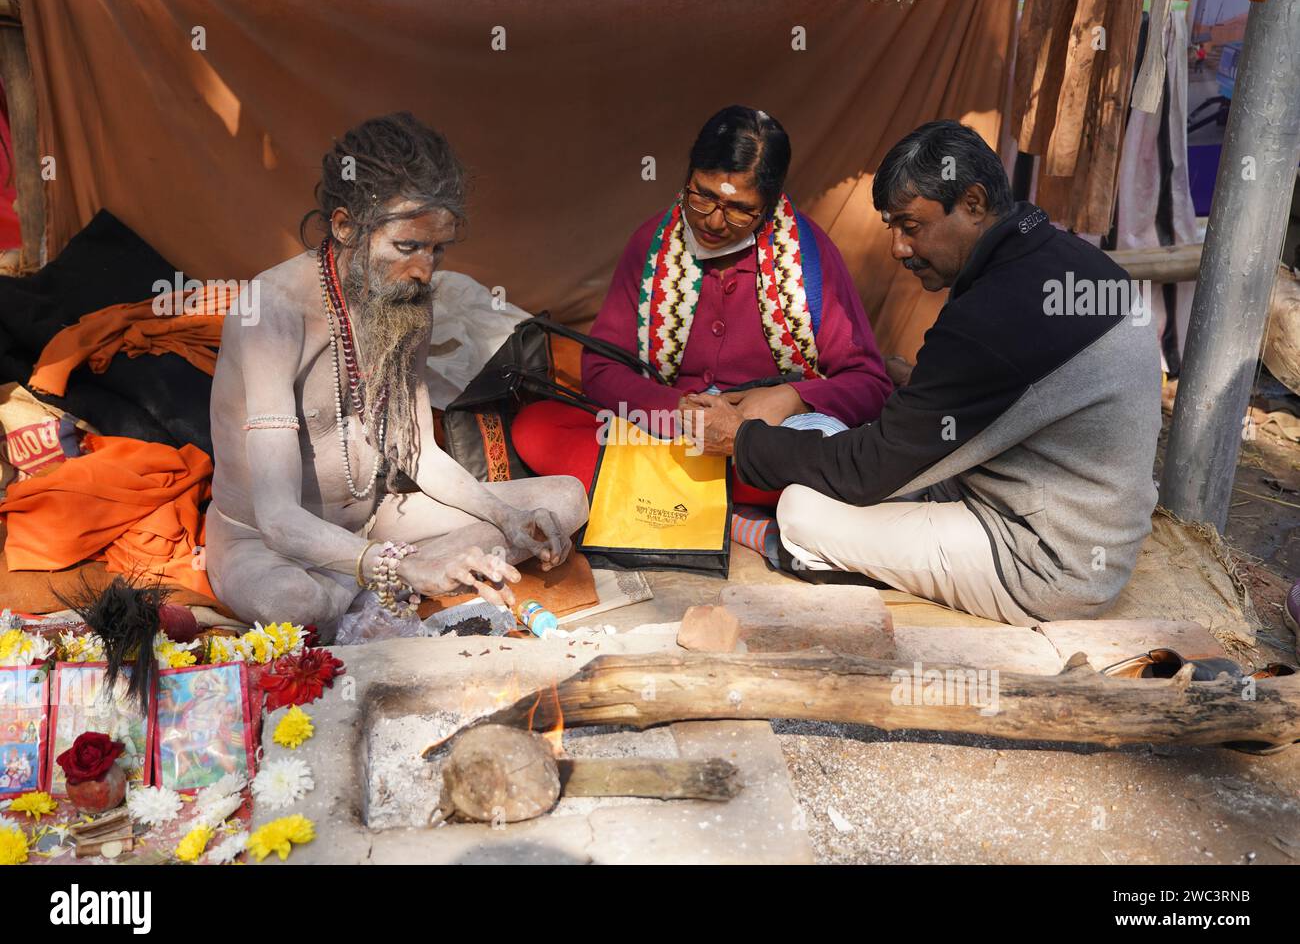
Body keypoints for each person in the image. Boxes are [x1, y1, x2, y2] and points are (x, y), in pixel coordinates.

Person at [685, 120, 1161, 624]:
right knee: (843, 443)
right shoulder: (1066, 260)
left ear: (973, 203)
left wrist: (741, 440)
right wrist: (920, 387)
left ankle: (785, 546)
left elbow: (868, 472)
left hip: (1049, 564)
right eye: (892, 228)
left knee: (804, 510)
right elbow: (1034, 395)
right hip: (1080, 521)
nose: (898, 249)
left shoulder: (994, 314)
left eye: (911, 227)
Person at [205, 113, 588, 637]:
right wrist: (405, 566)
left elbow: (416, 453)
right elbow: (276, 517)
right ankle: (396, 580)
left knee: (564, 500)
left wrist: (503, 514)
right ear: (345, 227)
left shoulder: (407, 298)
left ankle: (379, 585)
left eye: (437, 249)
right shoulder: (271, 312)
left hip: (377, 517)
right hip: (268, 543)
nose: (425, 270)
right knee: (293, 603)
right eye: (407, 247)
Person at [511, 106, 891, 553]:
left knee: (835, 453)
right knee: (535, 427)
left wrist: (790, 398)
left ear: (769, 205)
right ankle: (729, 517)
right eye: (703, 197)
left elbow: (870, 382)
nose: (712, 221)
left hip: (755, 447)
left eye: (739, 211)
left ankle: (653, 498)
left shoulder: (808, 257)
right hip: (661, 432)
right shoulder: (651, 245)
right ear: (687, 176)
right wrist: (679, 413)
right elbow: (600, 368)